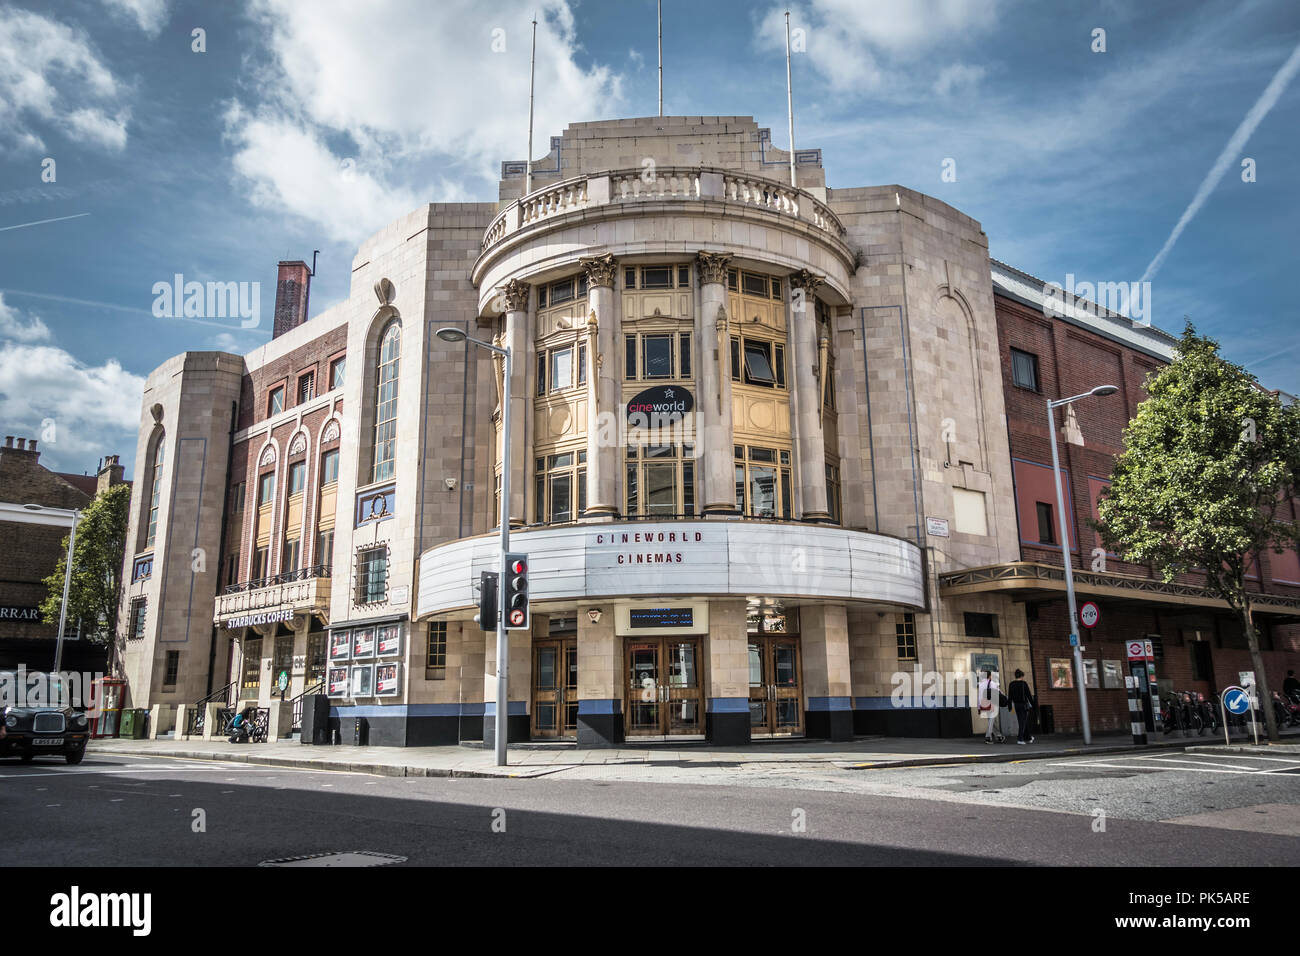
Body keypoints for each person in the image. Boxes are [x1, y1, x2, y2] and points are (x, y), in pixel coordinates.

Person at [1007, 668, 1036, 745]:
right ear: (1022, 676)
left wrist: (1009, 706)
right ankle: (1020, 739)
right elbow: (1029, 695)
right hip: (1024, 705)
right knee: (1022, 722)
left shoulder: (1011, 684)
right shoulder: (1024, 683)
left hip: (1016, 705)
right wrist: (1034, 705)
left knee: (1023, 721)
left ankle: (1028, 737)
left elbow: (1009, 696)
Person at [977, 670, 1001, 743]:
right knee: (991, 721)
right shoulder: (992, 683)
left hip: (983, 704)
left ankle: (999, 736)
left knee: (992, 721)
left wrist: (978, 707)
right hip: (992, 704)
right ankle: (988, 737)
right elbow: (998, 692)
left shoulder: (980, 684)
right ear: (990, 676)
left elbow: (979, 697)